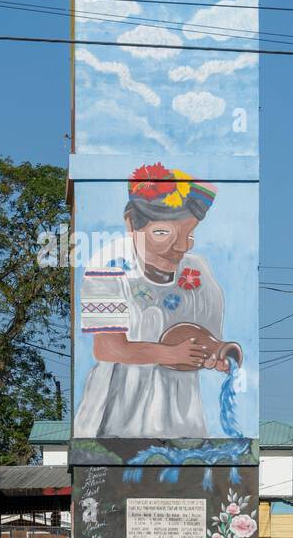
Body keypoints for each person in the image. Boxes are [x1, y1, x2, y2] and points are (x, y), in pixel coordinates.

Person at [74, 165, 240, 440]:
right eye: (163, 233)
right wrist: (171, 355)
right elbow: (107, 347)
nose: (181, 246)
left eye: (188, 235)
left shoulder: (199, 273)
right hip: (118, 414)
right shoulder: (107, 265)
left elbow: (203, 337)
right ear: (131, 223)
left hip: (180, 415)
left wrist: (216, 353)